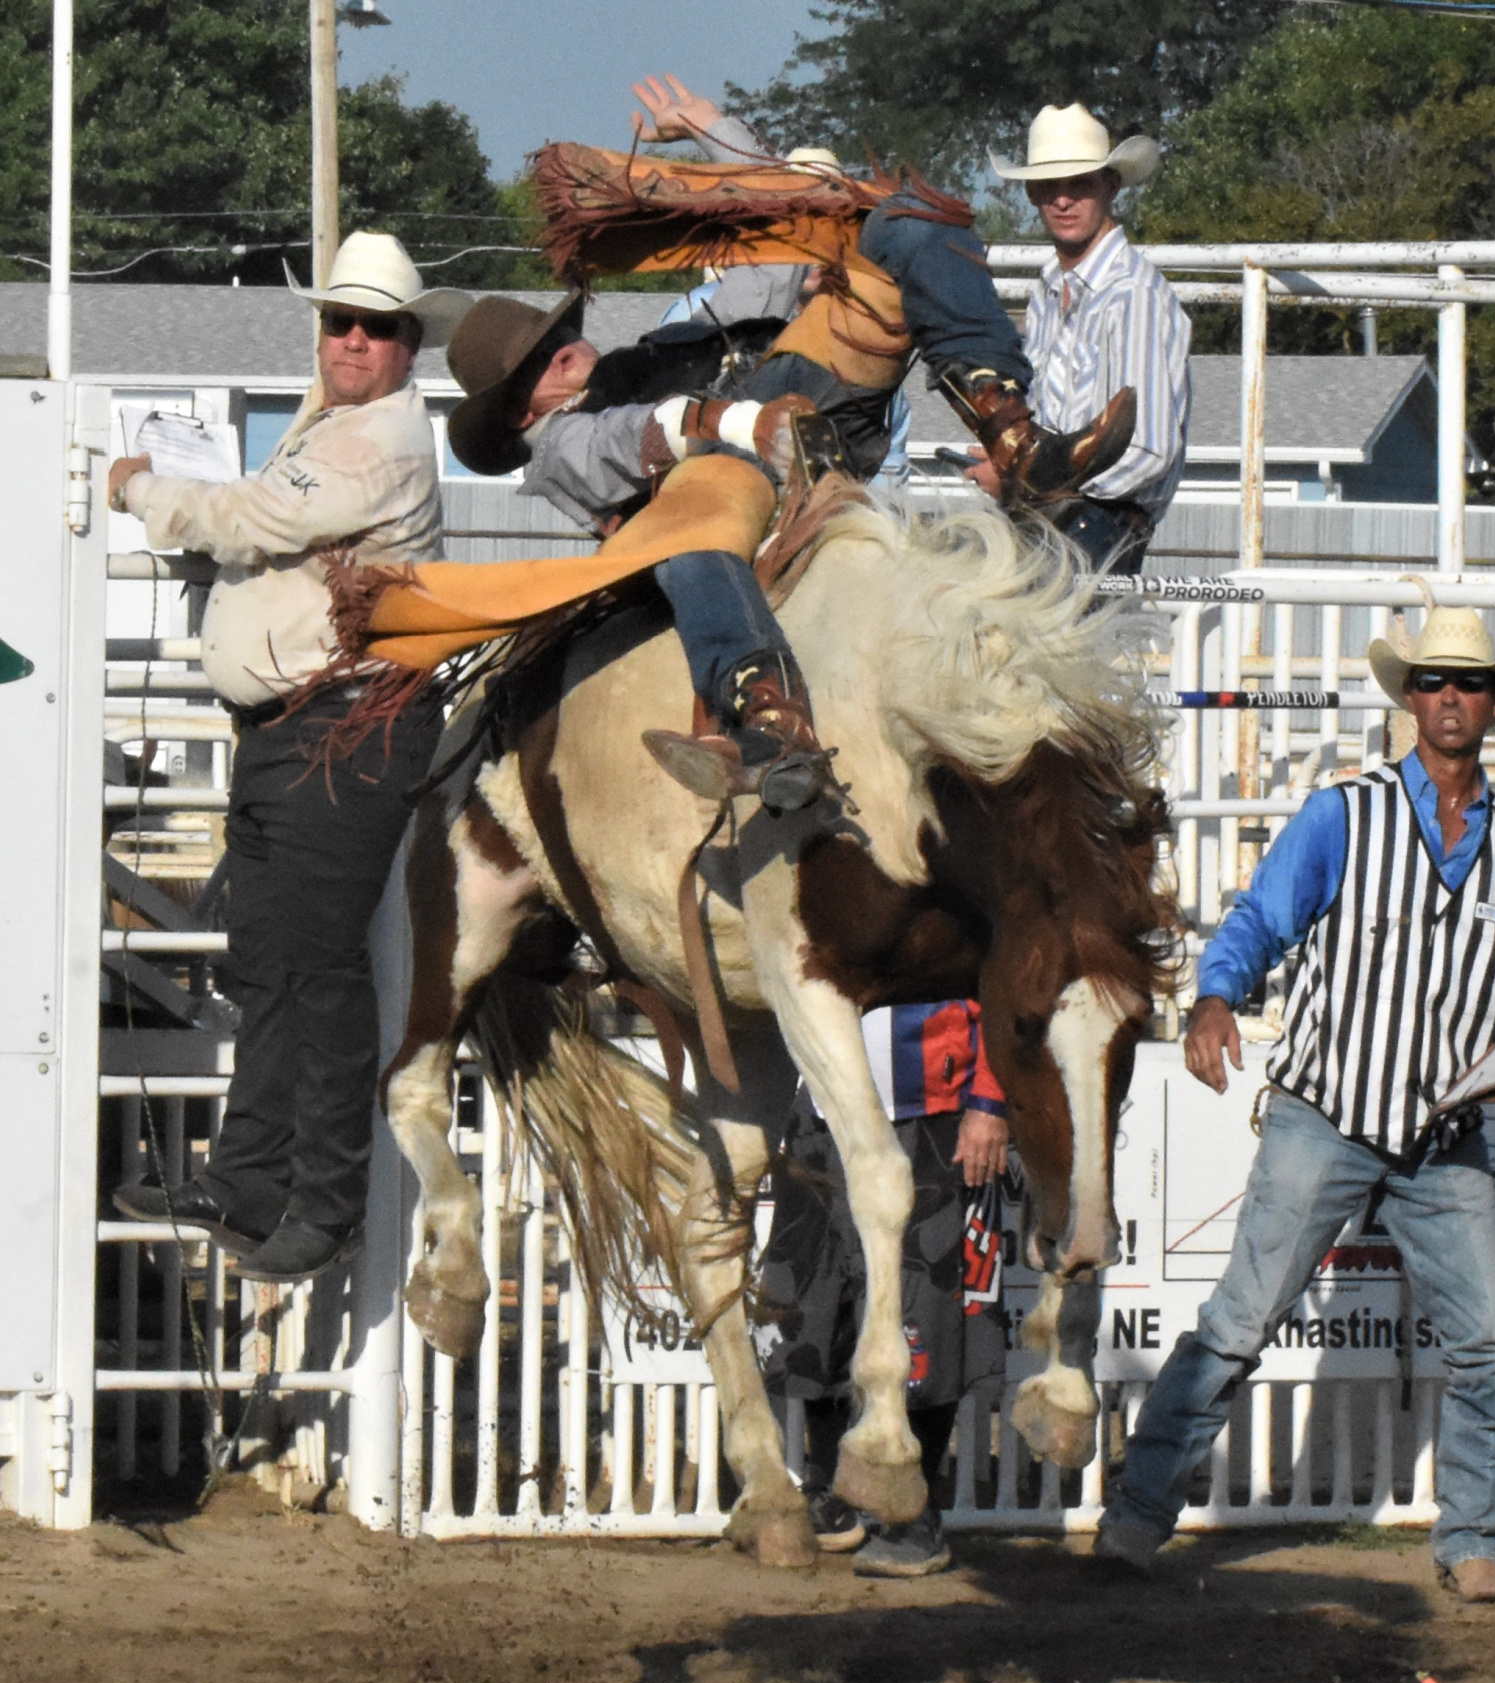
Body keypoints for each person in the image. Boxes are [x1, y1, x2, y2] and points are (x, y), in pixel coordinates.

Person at [440, 76, 1136, 813]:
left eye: (557, 337)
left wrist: (715, 129)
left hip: (810, 424)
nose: (564, 350)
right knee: (687, 528)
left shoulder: (660, 344)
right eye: (539, 361)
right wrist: (731, 424)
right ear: (519, 412)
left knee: (907, 220)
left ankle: (1012, 431)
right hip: (713, 500)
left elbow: (772, 252)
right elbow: (631, 438)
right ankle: (767, 713)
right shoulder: (559, 450)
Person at [1092, 609, 1495, 1602]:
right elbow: (1259, 921)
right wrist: (1216, 996)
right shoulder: (1342, 813)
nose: (1449, 695)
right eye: (1433, 679)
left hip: (1445, 1135)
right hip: (1322, 1110)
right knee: (1236, 1323)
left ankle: (1472, 1537)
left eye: (1468, 681)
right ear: (1410, 698)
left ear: (1492, 702)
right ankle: (1135, 1518)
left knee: (1489, 1342)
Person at [109, 233, 471, 1282]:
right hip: (298, 729)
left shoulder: (371, 442)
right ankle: (252, 1177)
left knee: (310, 966)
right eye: (339, 322)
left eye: (377, 328)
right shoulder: (348, 424)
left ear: (410, 346)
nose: (352, 341)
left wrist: (137, 486)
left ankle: (322, 1201)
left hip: (339, 728)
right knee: (269, 961)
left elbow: (247, 518)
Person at [757, 1000, 1010, 1577]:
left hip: (933, 1111)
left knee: (926, 1318)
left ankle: (914, 1517)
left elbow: (1006, 978)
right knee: (816, 1309)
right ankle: (836, 1495)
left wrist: (990, 1101)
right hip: (824, 1106)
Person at [968, 103, 1191, 575]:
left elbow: (1147, 451)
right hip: (1057, 526)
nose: (1063, 200)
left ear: (1111, 186)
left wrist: (1018, 481)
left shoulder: (1133, 296)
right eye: (1049, 186)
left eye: (1080, 184)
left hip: (1099, 530)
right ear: (1031, 193)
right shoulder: (1048, 291)